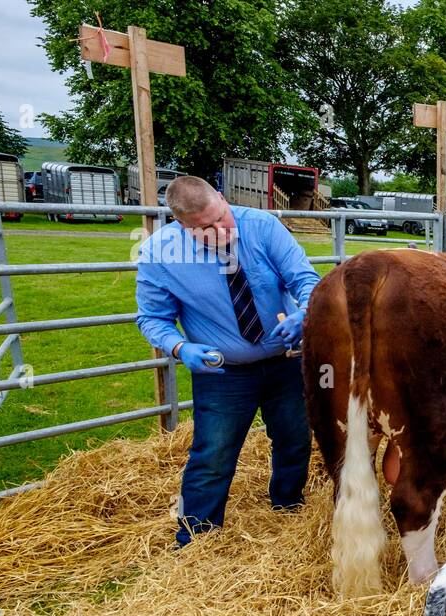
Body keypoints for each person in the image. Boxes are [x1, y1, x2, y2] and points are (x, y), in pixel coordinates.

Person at [134, 176, 318, 547]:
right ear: (183, 226)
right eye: (205, 227)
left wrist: (305, 313)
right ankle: (196, 537)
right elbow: (152, 317)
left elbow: (306, 280)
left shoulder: (262, 226)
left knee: (295, 437)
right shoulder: (160, 254)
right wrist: (180, 348)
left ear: (222, 198)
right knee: (213, 452)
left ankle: (288, 506)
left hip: (285, 359)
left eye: (222, 216)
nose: (221, 229)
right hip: (222, 371)